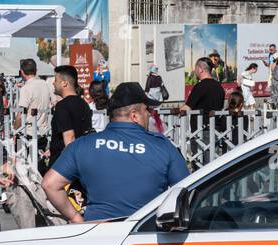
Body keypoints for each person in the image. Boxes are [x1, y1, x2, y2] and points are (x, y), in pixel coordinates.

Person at [43, 82, 189, 223]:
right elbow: (187, 190)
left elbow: (50, 184)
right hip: (144, 233)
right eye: (147, 110)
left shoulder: (83, 144)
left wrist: (75, 217)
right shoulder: (162, 146)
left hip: (96, 231)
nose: (149, 115)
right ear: (134, 115)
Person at [48, 65, 92, 170]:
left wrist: (69, 169)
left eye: (55, 80)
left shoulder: (62, 106)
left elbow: (70, 138)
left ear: (64, 83)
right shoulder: (84, 104)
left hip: (63, 165)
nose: (53, 83)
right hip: (82, 160)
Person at [16, 58, 53, 124]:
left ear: (22, 72)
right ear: (36, 70)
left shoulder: (25, 88)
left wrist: (15, 129)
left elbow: (21, 114)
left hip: (29, 130)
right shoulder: (45, 84)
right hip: (44, 130)